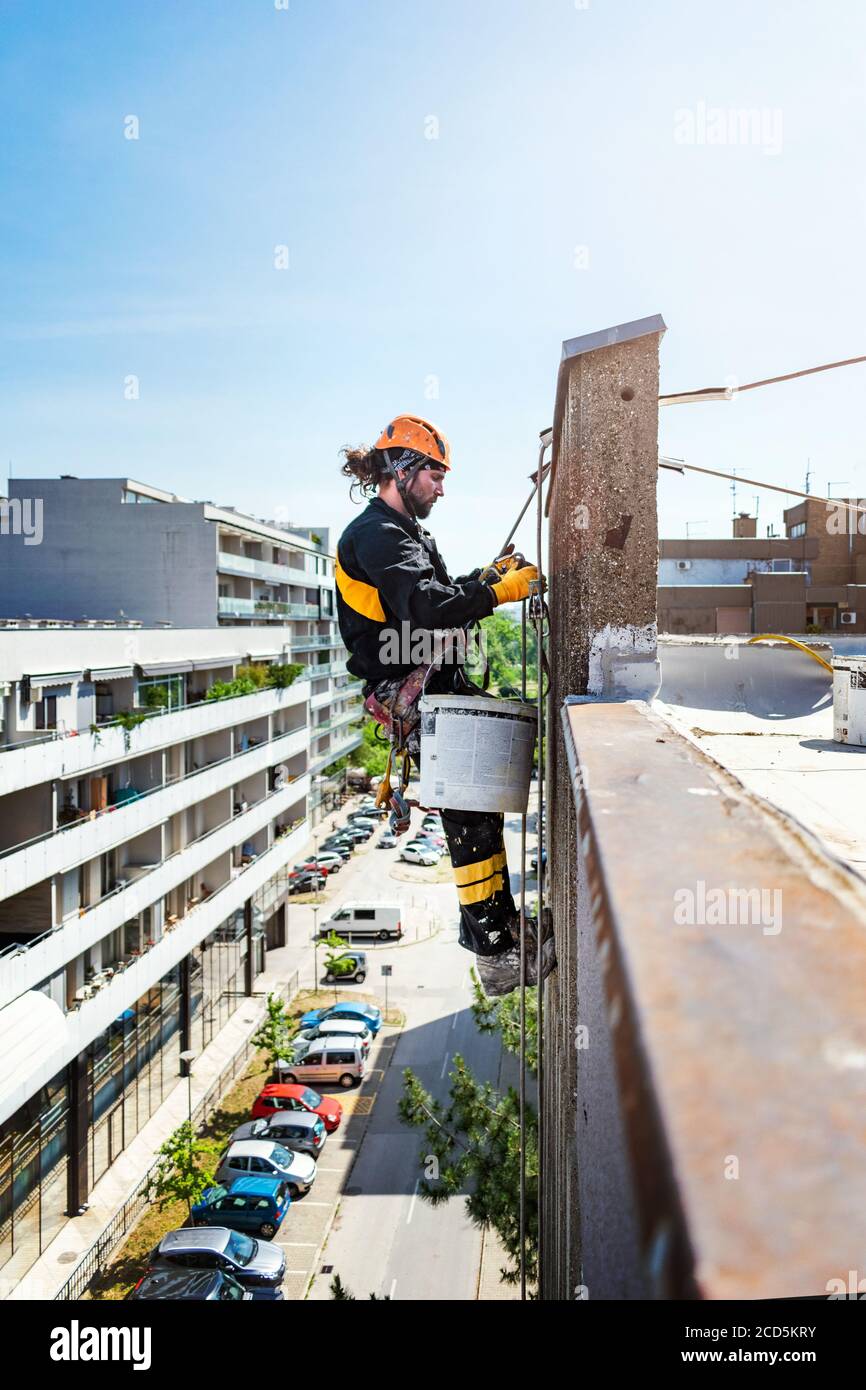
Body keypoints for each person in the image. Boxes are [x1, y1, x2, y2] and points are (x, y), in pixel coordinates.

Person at [335, 412, 554, 996]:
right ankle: (498, 953)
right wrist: (499, 591)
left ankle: (503, 937)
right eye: (434, 475)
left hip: (426, 684)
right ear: (403, 470)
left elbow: (438, 595)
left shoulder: (403, 534)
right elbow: (428, 610)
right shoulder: (376, 535)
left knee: (477, 812)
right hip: (411, 687)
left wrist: (486, 578)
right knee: (469, 816)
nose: (440, 488)